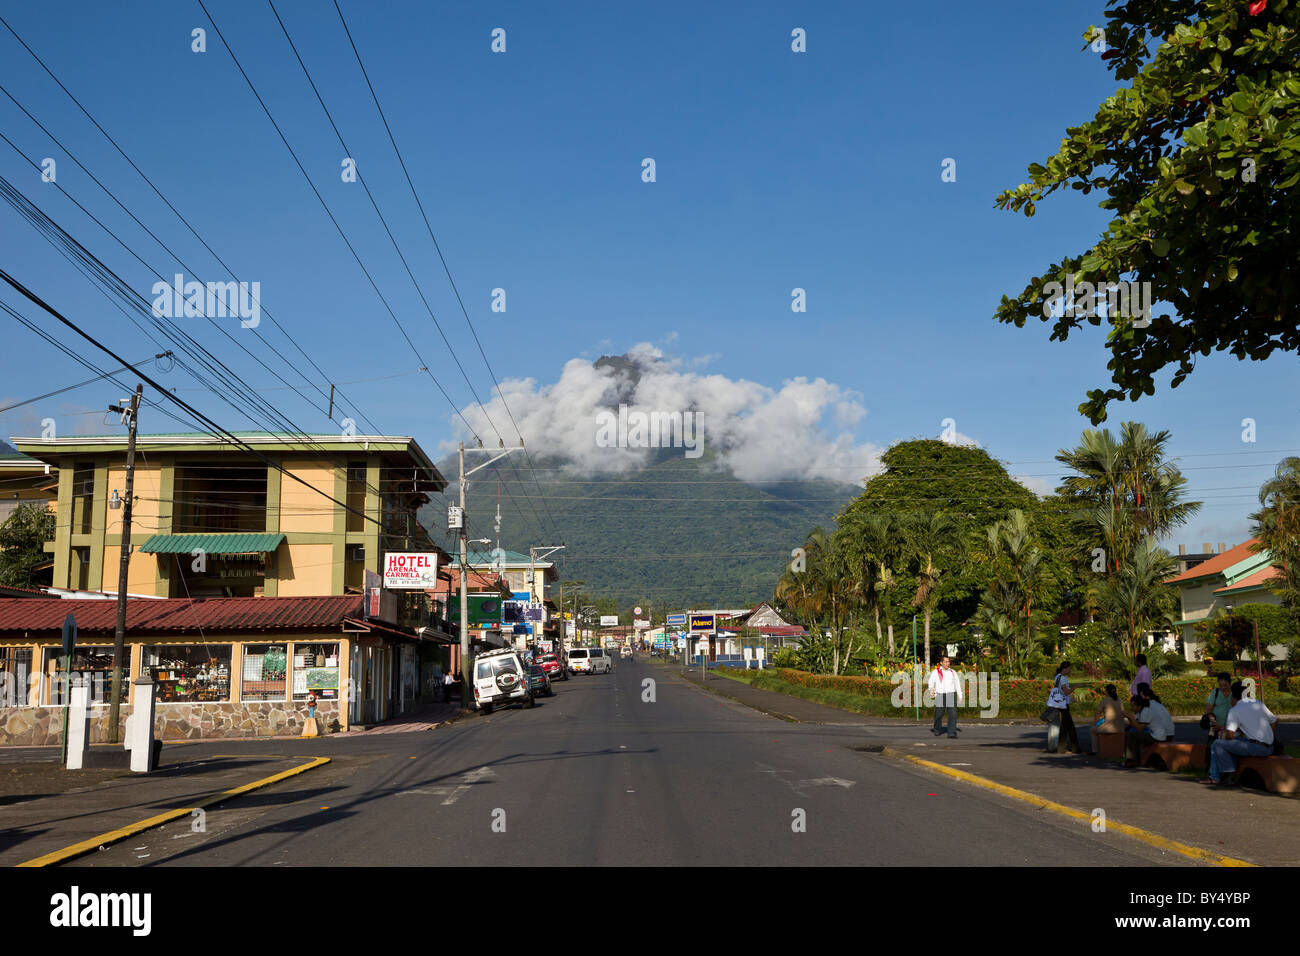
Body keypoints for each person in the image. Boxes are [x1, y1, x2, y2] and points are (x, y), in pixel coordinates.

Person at [1202, 683, 1278, 786]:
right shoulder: (1258, 703)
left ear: (1233, 697)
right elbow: (1274, 721)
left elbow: (1230, 736)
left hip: (1256, 748)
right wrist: (1267, 735)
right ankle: (1221, 776)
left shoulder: (1235, 710)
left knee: (1217, 743)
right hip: (1269, 747)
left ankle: (1226, 775)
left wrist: (1234, 733)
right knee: (1233, 744)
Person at [1123, 689, 1175, 764]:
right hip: (1164, 734)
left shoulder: (1145, 710)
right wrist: (1129, 717)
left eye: (1133, 706)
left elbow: (1139, 728)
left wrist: (1130, 717)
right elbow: (1135, 725)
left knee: (1131, 735)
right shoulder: (1148, 707)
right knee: (1133, 734)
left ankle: (1131, 760)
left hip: (1158, 736)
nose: (1131, 708)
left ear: (1139, 706)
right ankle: (1134, 759)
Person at [1045, 661, 1085, 754]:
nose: (1070, 670)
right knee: (1070, 727)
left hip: (1061, 703)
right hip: (1064, 706)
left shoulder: (1057, 677)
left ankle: (1062, 748)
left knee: (1065, 727)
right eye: (1069, 669)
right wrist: (1075, 687)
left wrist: (1070, 699)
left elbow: (1061, 692)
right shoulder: (1062, 678)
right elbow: (1066, 692)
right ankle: (1075, 749)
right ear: (1065, 668)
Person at [928, 654, 963, 738]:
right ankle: (937, 729)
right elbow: (931, 683)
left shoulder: (953, 672)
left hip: (950, 695)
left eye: (949, 661)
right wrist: (932, 692)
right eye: (946, 662)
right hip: (940, 695)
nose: (948, 663)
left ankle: (951, 733)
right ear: (941, 663)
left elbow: (957, 684)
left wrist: (960, 695)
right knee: (938, 715)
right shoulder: (936, 672)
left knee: (953, 715)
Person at [1202, 672, 1233, 743]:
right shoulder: (1215, 692)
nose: (1223, 688)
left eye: (1225, 685)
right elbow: (1208, 708)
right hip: (1216, 727)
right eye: (1220, 685)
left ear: (1230, 683)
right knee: (1214, 746)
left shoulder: (1234, 693)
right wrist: (1211, 718)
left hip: (1230, 728)